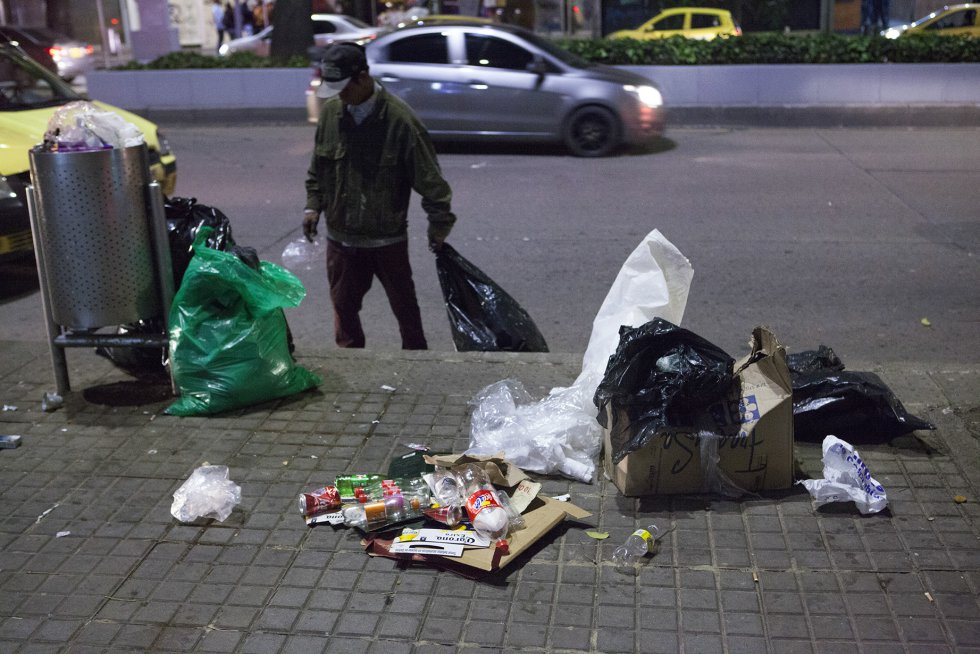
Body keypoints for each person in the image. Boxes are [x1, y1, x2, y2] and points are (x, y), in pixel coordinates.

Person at [303, 42, 456, 350]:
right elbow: (318, 169)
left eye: (344, 88)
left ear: (363, 78)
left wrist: (439, 226)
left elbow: (431, 181)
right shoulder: (332, 114)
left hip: (387, 242)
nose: (339, 96)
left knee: (407, 315)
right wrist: (312, 207)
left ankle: (417, 370)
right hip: (341, 241)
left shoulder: (400, 121)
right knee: (343, 312)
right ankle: (354, 372)